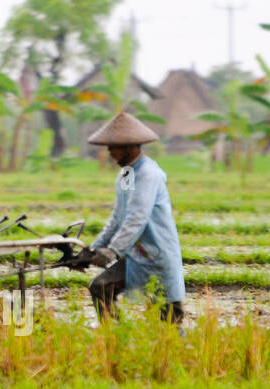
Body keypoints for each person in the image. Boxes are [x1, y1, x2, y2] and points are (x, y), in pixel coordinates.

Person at [70, 112, 185, 323]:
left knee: (169, 317)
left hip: (156, 254)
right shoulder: (127, 174)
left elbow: (137, 217)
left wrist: (113, 250)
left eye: (113, 146)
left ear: (130, 146)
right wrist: (92, 249)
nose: (109, 151)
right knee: (100, 287)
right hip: (136, 254)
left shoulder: (148, 174)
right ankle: (117, 338)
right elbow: (118, 217)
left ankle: (175, 350)